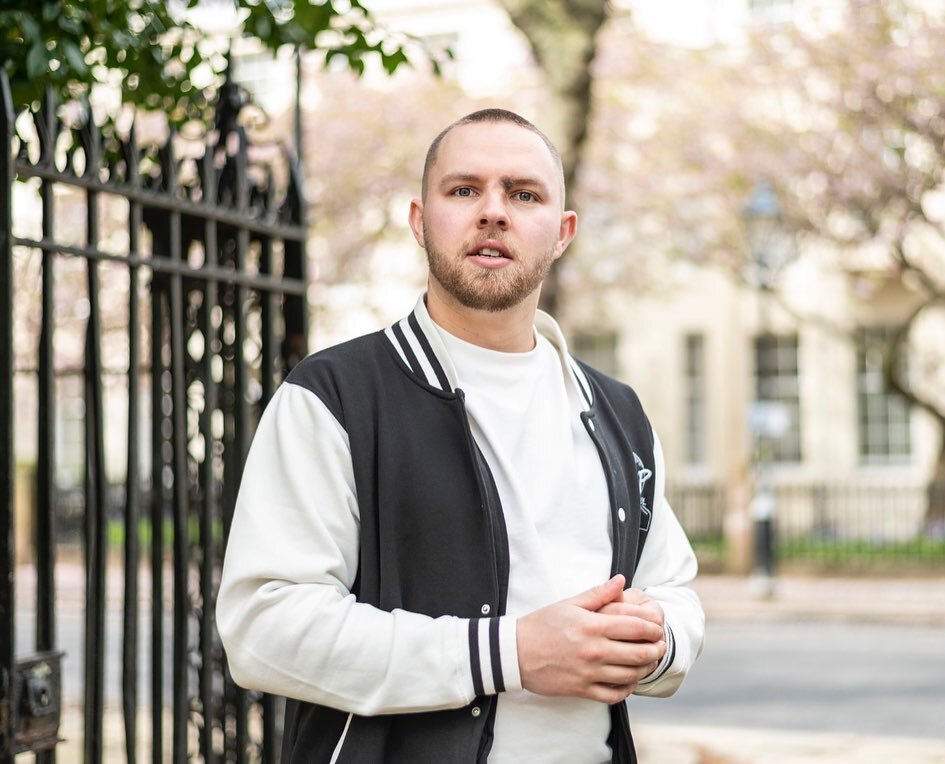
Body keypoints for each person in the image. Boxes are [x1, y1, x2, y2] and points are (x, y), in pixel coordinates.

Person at [216, 108, 705, 763]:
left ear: (561, 234)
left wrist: (658, 639)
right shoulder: (335, 395)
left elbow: (672, 590)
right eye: (463, 190)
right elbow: (263, 629)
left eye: (523, 194)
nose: (494, 212)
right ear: (419, 221)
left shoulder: (616, 411)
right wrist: (507, 654)